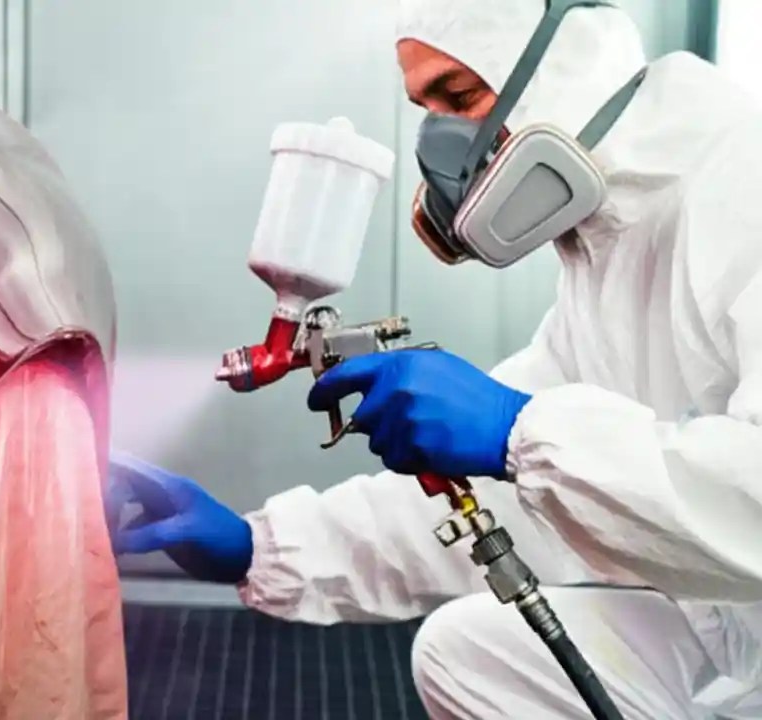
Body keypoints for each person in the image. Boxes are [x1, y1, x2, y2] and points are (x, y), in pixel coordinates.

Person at [106, 1, 762, 718]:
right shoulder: (605, 250)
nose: (446, 146)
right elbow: (518, 492)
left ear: (566, 71)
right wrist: (258, 546)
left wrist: (518, 432)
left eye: (460, 97)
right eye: (428, 108)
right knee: (475, 651)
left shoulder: (740, 181)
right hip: (731, 638)